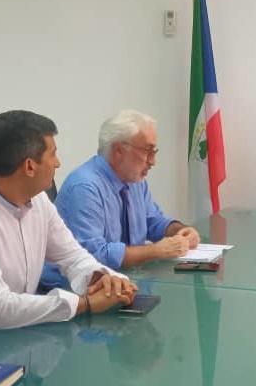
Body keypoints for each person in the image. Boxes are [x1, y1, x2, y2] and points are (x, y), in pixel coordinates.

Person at [0, 110, 137, 330]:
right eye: (53, 154)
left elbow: (72, 256)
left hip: (23, 333)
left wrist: (101, 278)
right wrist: (85, 304)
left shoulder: (39, 201)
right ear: (29, 166)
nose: (58, 163)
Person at [51, 109, 200, 273]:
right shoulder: (85, 187)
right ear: (119, 151)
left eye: (154, 152)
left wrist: (180, 230)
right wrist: (155, 250)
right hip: (73, 290)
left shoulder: (135, 179)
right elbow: (93, 256)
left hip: (124, 281)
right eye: (147, 151)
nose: (153, 161)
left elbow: (153, 221)